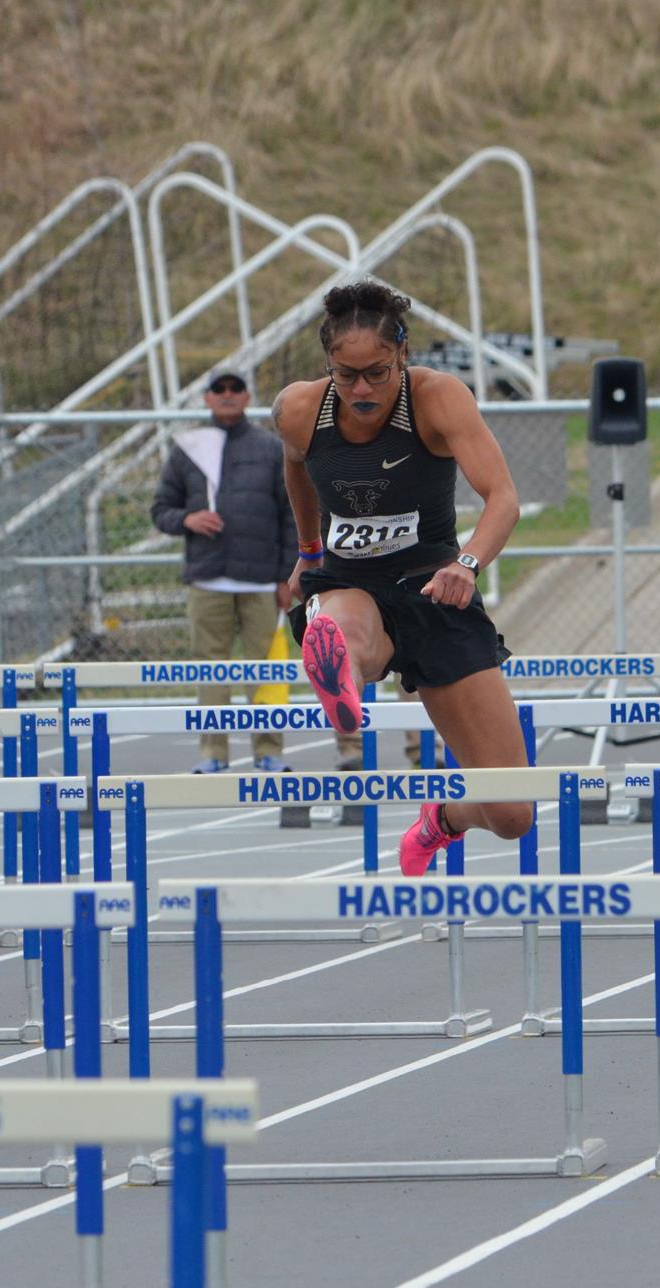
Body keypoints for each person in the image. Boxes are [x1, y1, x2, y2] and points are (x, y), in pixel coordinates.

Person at [271, 280, 528, 877]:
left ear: (403, 354)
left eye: (377, 373)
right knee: (345, 626)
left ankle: (445, 817)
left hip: (434, 587)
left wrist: (467, 565)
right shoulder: (299, 409)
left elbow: (503, 498)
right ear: (327, 364)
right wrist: (309, 549)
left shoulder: (439, 400)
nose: (361, 389)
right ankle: (338, 669)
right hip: (349, 581)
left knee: (513, 813)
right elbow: (296, 467)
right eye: (346, 373)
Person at [151, 369, 298, 774]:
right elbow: (160, 510)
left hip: (261, 581)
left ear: (249, 396)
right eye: (219, 389)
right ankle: (213, 754)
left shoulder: (271, 448)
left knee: (267, 669)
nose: (228, 395)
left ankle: (269, 752)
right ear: (207, 399)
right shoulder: (187, 449)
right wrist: (188, 519)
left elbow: (292, 515)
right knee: (211, 669)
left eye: (236, 388)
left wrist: (288, 575)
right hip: (207, 578)